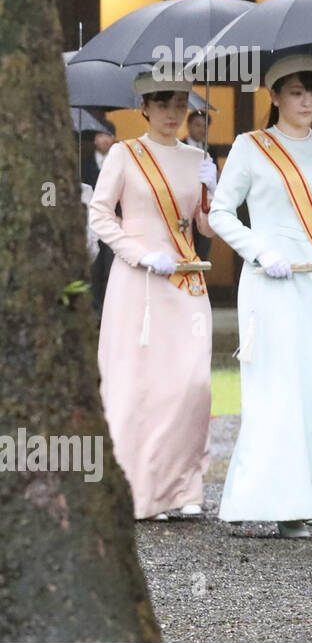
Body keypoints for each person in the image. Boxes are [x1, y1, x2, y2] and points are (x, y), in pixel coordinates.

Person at [208, 54, 312, 539]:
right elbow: (220, 213)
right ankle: (280, 504)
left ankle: (309, 498)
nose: (307, 101)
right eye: (296, 92)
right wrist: (260, 251)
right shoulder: (250, 146)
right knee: (281, 393)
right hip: (272, 282)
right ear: (274, 95)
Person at [87, 75, 218, 520]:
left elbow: (205, 228)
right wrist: (141, 254)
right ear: (144, 106)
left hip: (185, 280)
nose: (171, 112)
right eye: (162, 102)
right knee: (140, 385)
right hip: (138, 283)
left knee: (192, 383)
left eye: (180, 103)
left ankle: (181, 487)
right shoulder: (125, 154)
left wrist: (213, 191)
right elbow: (100, 215)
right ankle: (141, 493)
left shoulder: (196, 156)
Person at [84, 121, 117, 314]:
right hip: (91, 220)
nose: (102, 139)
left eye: (107, 135)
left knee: (110, 266)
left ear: (113, 139)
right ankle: (94, 309)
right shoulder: (85, 163)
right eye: (99, 135)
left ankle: (108, 309)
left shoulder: (117, 163)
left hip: (113, 220)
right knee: (94, 268)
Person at [184, 109, 214, 260]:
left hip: (204, 205)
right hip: (184, 205)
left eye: (204, 126)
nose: (201, 129)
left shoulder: (210, 150)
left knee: (202, 254)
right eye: (197, 125)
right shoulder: (179, 148)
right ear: (189, 126)